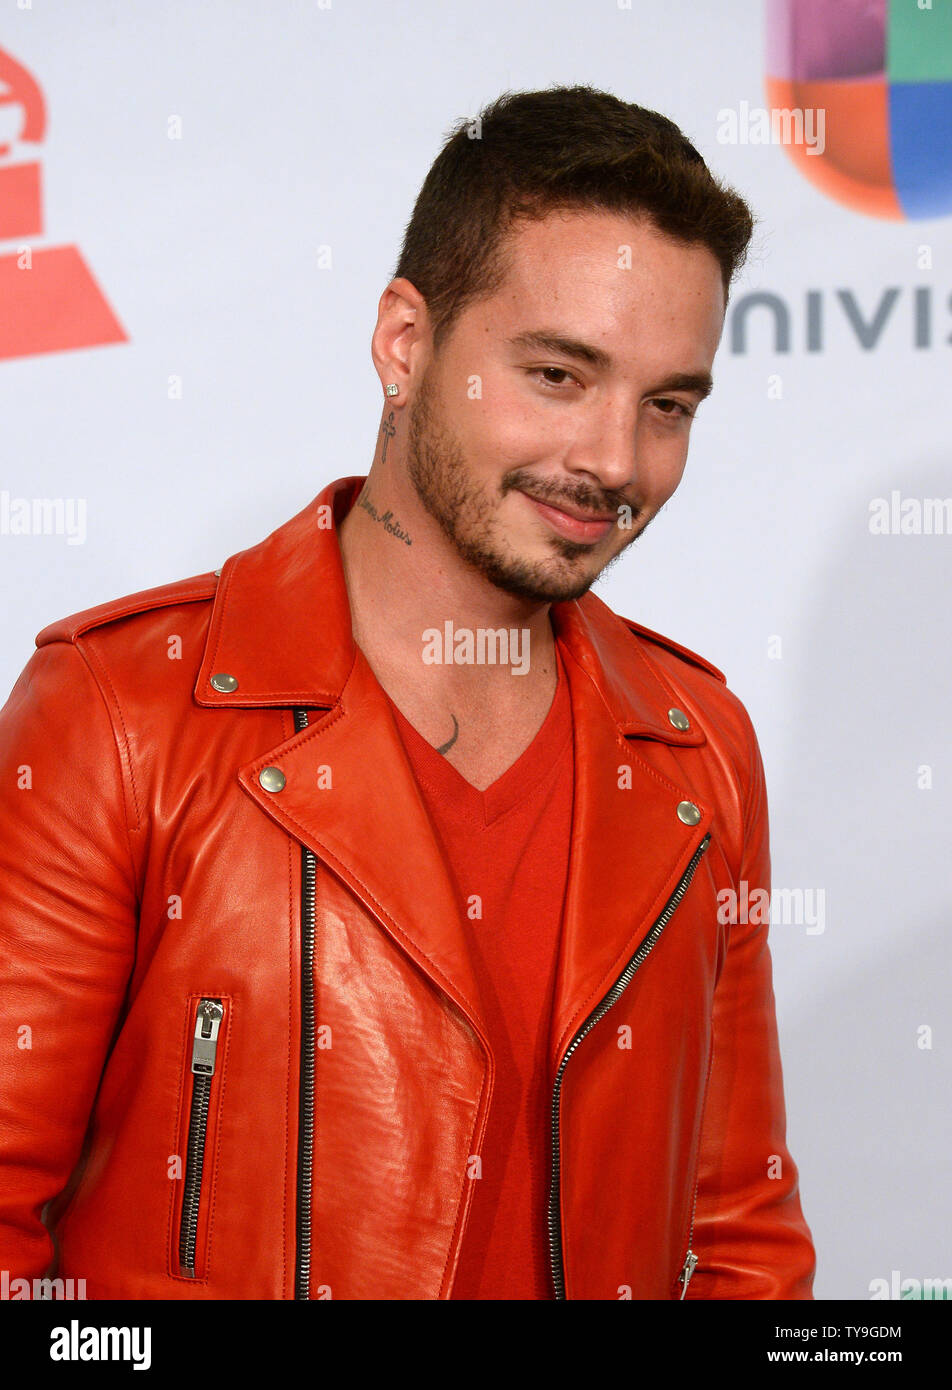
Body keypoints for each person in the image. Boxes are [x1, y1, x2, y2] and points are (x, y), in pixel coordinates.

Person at [0, 84, 815, 1300]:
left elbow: (739, 1232)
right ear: (403, 342)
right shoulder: (119, 710)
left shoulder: (696, 745)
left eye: (666, 406)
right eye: (555, 373)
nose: (611, 460)